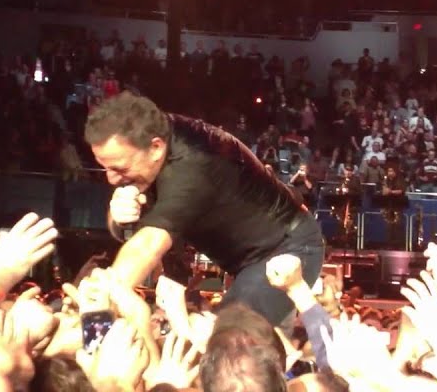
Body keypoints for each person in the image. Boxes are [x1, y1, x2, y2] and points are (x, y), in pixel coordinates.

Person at [86, 92, 324, 326]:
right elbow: (130, 232)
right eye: (105, 168)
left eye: (119, 168)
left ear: (156, 148)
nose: (111, 179)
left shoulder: (193, 167)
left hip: (285, 249)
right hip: (247, 261)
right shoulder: (147, 138)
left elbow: (147, 246)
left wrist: (97, 314)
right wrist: (117, 217)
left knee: (224, 346)